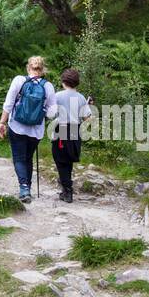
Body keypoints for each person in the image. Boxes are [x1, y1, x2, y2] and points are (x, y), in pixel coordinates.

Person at [0, 55, 56, 203]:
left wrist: (2, 123)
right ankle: (27, 187)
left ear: (28, 68)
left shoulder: (19, 80)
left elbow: (8, 103)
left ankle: (24, 189)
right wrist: (41, 113)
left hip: (17, 126)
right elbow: (52, 112)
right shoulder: (48, 86)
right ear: (42, 70)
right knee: (28, 158)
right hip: (36, 130)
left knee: (19, 158)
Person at [49, 66, 93, 203]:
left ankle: (67, 190)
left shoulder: (57, 96)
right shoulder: (80, 98)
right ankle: (65, 188)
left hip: (61, 128)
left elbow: (51, 115)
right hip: (75, 128)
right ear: (76, 82)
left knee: (60, 159)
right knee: (68, 159)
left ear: (64, 81)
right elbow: (87, 118)